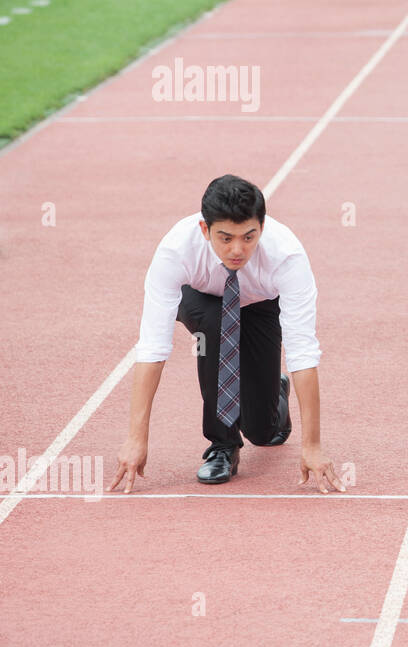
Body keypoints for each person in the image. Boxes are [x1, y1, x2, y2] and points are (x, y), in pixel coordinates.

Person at [110, 174, 344, 493]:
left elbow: (302, 351)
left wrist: (313, 446)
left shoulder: (287, 256)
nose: (237, 249)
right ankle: (223, 445)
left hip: (261, 304)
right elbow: (153, 346)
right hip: (201, 297)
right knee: (216, 326)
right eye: (225, 238)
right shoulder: (176, 250)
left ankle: (275, 392)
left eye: (249, 237)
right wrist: (136, 439)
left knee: (264, 434)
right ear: (205, 230)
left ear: (263, 227)